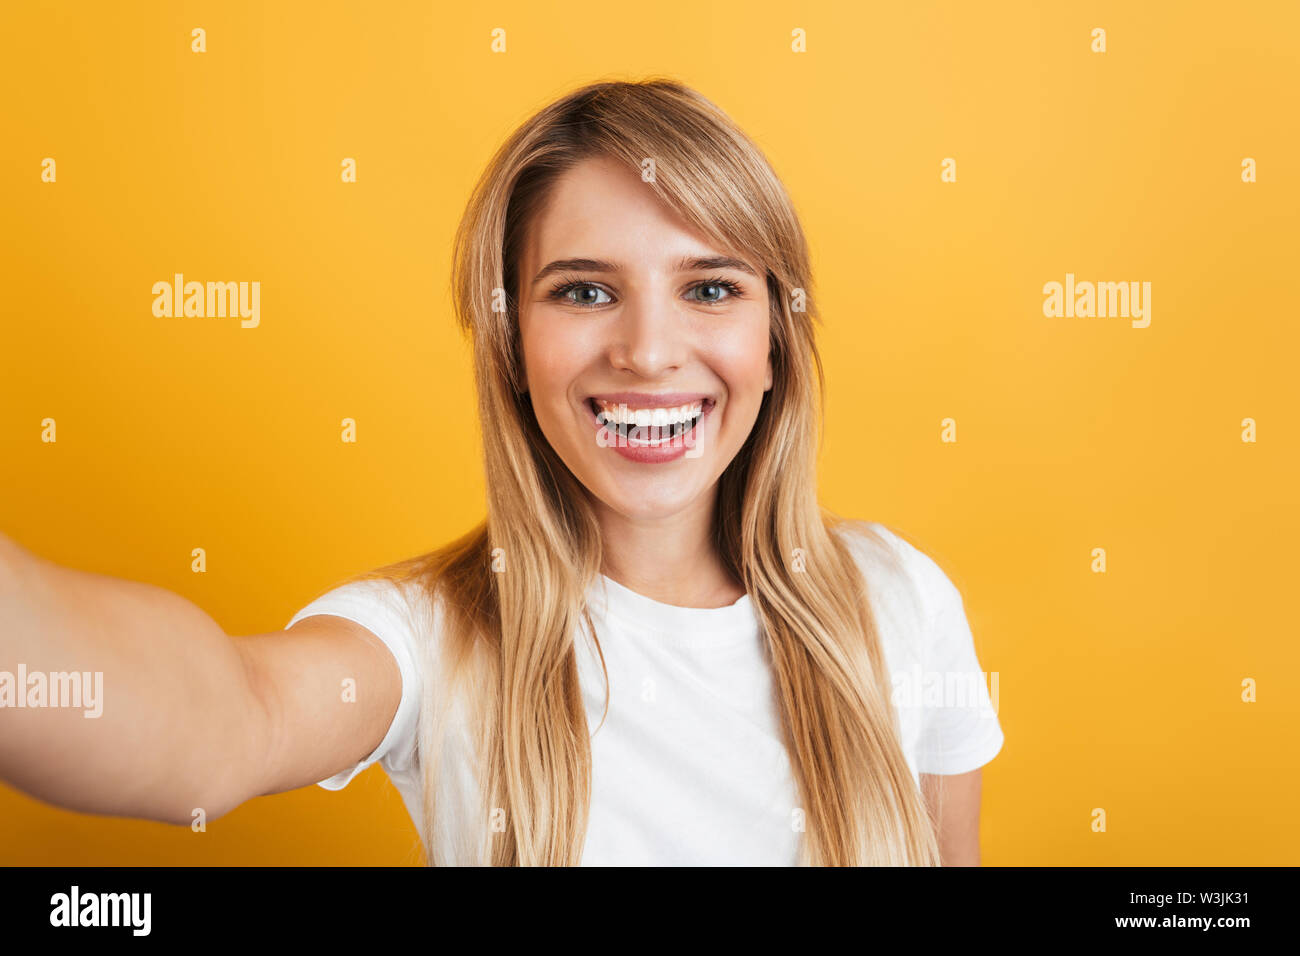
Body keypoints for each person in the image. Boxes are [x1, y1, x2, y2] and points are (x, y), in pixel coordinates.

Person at [0, 78, 1002, 866]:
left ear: (774, 337)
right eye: (583, 290)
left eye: (709, 286)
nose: (649, 352)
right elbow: (226, 720)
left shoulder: (902, 600)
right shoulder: (428, 635)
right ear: (512, 343)